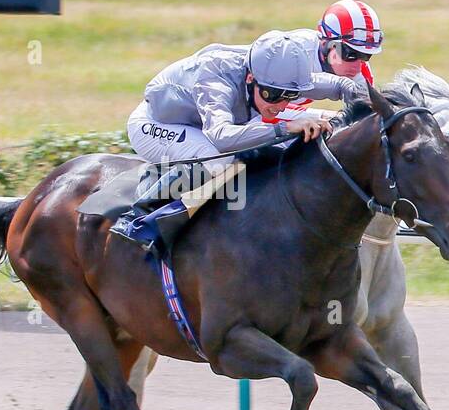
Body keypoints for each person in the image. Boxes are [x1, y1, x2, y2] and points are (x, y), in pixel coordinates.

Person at [113, 29, 357, 251]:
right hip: (157, 124)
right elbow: (220, 137)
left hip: (202, 123)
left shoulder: (276, 77)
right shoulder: (216, 77)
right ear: (250, 79)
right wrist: (286, 126)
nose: (280, 105)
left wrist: (375, 103)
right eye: (272, 95)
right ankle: (139, 217)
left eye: (290, 96)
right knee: (221, 161)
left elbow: (340, 85)